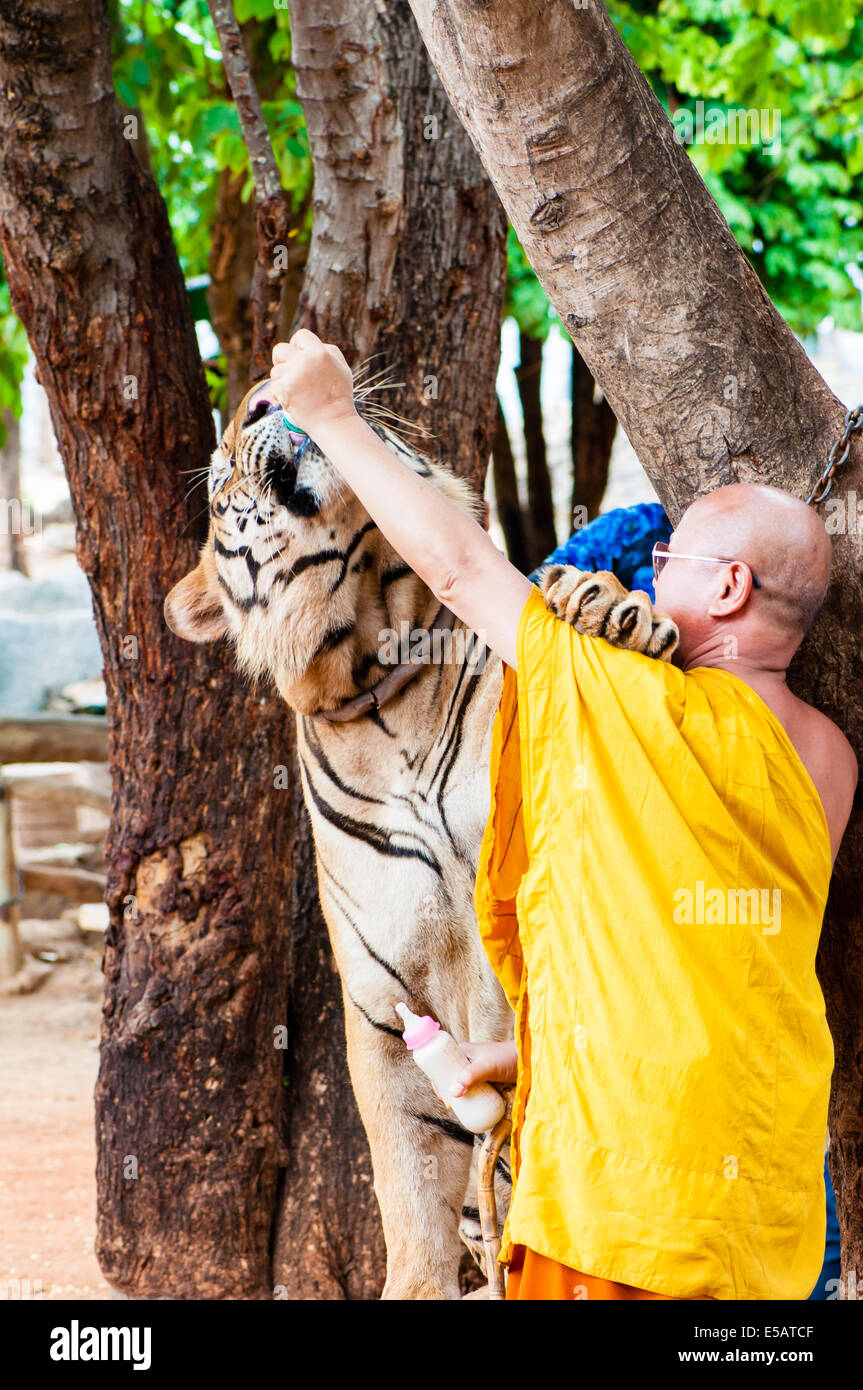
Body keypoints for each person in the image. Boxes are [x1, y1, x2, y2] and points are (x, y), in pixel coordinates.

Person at [270, 329, 857, 1301]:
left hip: (629, 1197)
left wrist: (330, 414)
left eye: (668, 557)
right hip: (767, 1198)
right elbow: (700, 960)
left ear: (726, 586)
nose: (648, 573)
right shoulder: (830, 756)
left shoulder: (619, 696)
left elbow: (457, 572)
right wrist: (514, 1054)